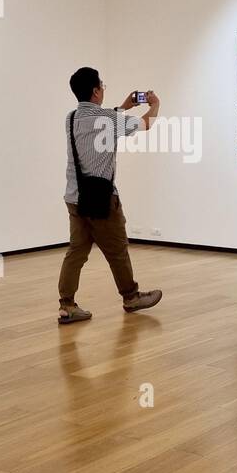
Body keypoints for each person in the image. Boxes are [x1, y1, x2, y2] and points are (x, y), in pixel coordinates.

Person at [58, 67, 163, 324]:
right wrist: (155, 104)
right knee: (117, 250)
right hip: (102, 199)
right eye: (102, 85)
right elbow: (146, 124)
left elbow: (100, 120)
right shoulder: (109, 119)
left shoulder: (71, 118)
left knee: (76, 252)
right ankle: (131, 297)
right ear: (96, 91)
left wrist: (122, 107)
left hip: (74, 198)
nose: (103, 89)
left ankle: (67, 305)